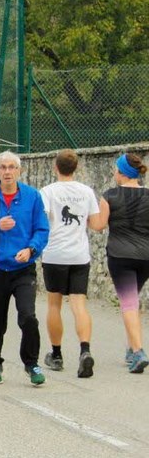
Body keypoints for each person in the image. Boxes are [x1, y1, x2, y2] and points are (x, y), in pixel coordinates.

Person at [0, 151, 50, 386]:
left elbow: (42, 230)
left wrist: (31, 249)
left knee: (28, 317)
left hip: (23, 268)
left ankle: (31, 363)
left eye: (11, 167)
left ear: (19, 171)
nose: (7, 172)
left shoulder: (32, 197)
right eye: (3, 167)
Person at [39, 150, 100, 378]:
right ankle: (85, 350)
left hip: (54, 254)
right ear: (76, 168)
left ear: (55, 167)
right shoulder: (86, 192)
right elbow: (94, 223)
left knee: (54, 304)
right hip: (79, 255)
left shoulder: (47, 192)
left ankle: (56, 354)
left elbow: (42, 220)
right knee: (79, 305)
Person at [90, 153, 149, 373]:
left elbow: (99, 225)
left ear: (122, 173)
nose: (114, 173)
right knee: (133, 303)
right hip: (145, 256)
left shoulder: (110, 196)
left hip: (120, 254)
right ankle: (130, 348)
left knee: (129, 304)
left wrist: (86, 216)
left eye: (116, 169)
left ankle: (139, 351)